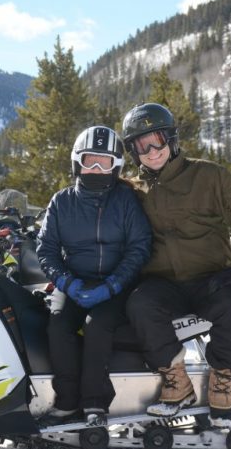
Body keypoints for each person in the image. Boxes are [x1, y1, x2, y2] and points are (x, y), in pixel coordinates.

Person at [121, 103, 231, 427]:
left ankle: (222, 379)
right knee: (140, 305)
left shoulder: (208, 176)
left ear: (171, 140)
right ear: (133, 151)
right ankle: (176, 379)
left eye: (157, 140)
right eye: (141, 145)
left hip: (210, 279)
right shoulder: (134, 189)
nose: (151, 151)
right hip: (163, 284)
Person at [37, 125, 152, 427]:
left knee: (97, 325)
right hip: (74, 279)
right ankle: (66, 400)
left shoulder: (125, 201)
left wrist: (114, 284)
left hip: (115, 284)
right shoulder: (62, 202)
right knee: (59, 324)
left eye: (105, 162)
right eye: (90, 161)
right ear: (77, 162)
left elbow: (139, 247)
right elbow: (46, 249)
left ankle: (94, 404)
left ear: (116, 167)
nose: (97, 168)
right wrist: (66, 282)